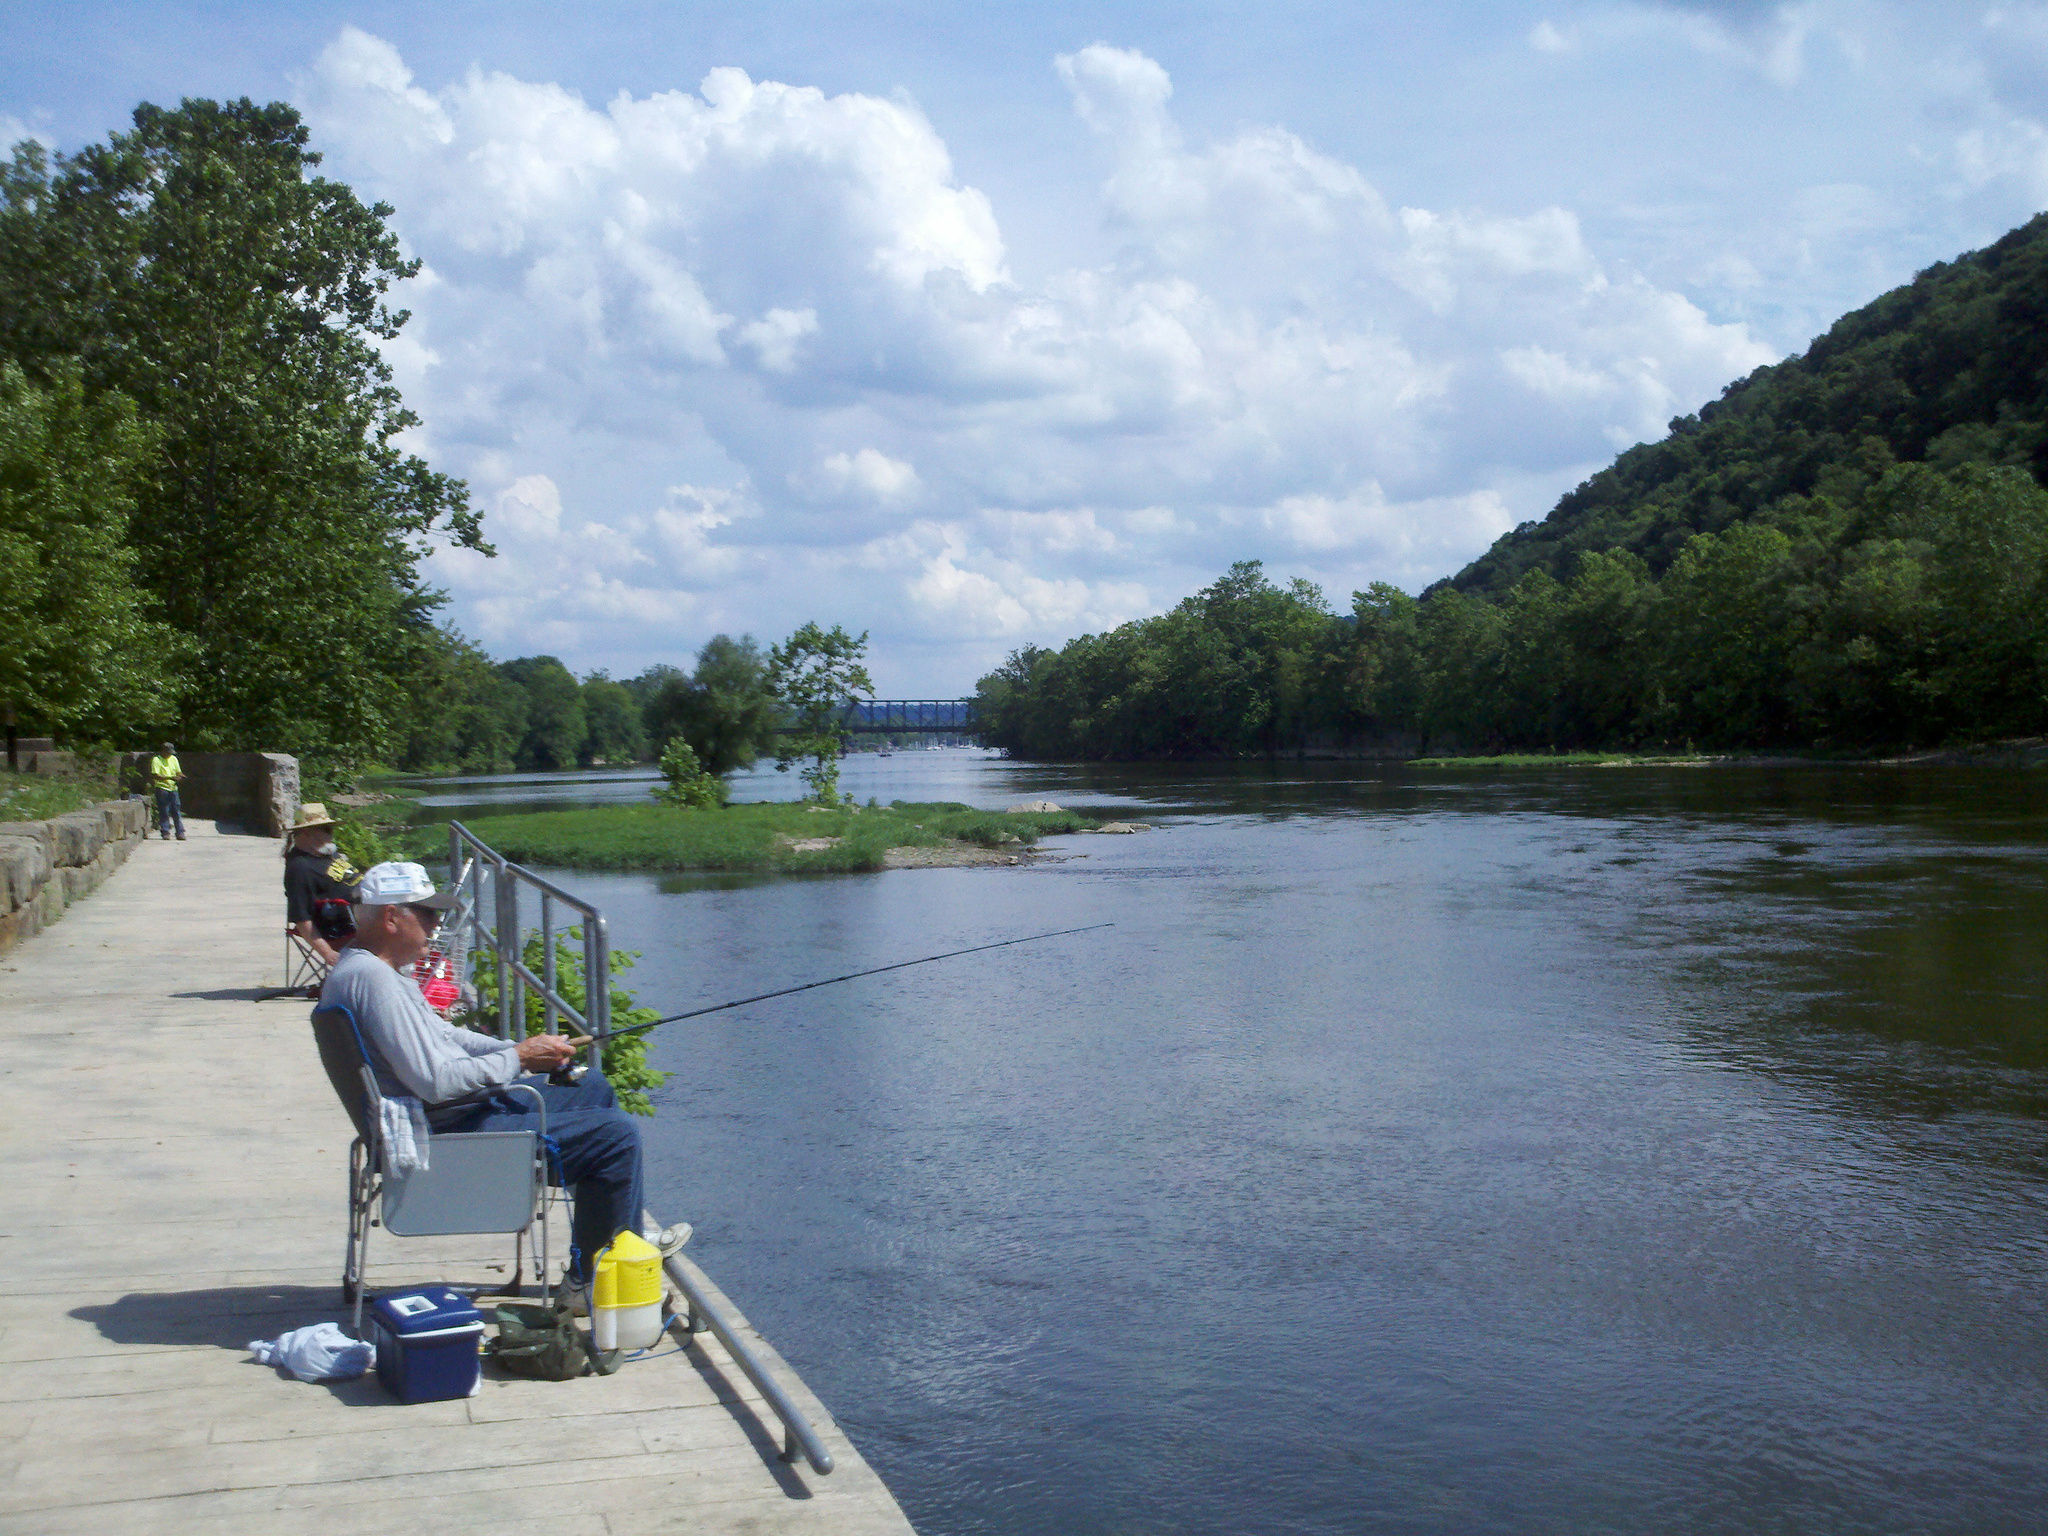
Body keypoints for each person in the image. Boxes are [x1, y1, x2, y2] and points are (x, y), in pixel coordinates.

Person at [319, 860, 686, 1290]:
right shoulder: (373, 981)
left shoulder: (366, 970)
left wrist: (524, 1049)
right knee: (615, 1136)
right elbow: (435, 1083)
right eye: (427, 913)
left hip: (449, 1115)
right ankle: (590, 1281)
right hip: (445, 1132)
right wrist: (519, 1059)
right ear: (391, 918)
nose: (436, 924)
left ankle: (618, 1237)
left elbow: (446, 1034)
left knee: (591, 1086)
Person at [283, 803, 360, 970]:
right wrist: (328, 953)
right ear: (306, 833)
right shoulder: (300, 868)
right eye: (326, 829)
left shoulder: (325, 853)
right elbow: (302, 918)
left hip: (364, 915)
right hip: (345, 928)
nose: (331, 834)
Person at [149, 741, 186, 841]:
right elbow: (155, 775)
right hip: (162, 788)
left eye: (171, 753)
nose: (170, 754)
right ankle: (165, 832)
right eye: (168, 752)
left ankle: (180, 832)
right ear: (163, 751)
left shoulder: (173, 759)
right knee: (164, 811)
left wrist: (181, 776)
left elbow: (178, 772)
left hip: (173, 789)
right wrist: (170, 778)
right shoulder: (156, 760)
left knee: (176, 811)